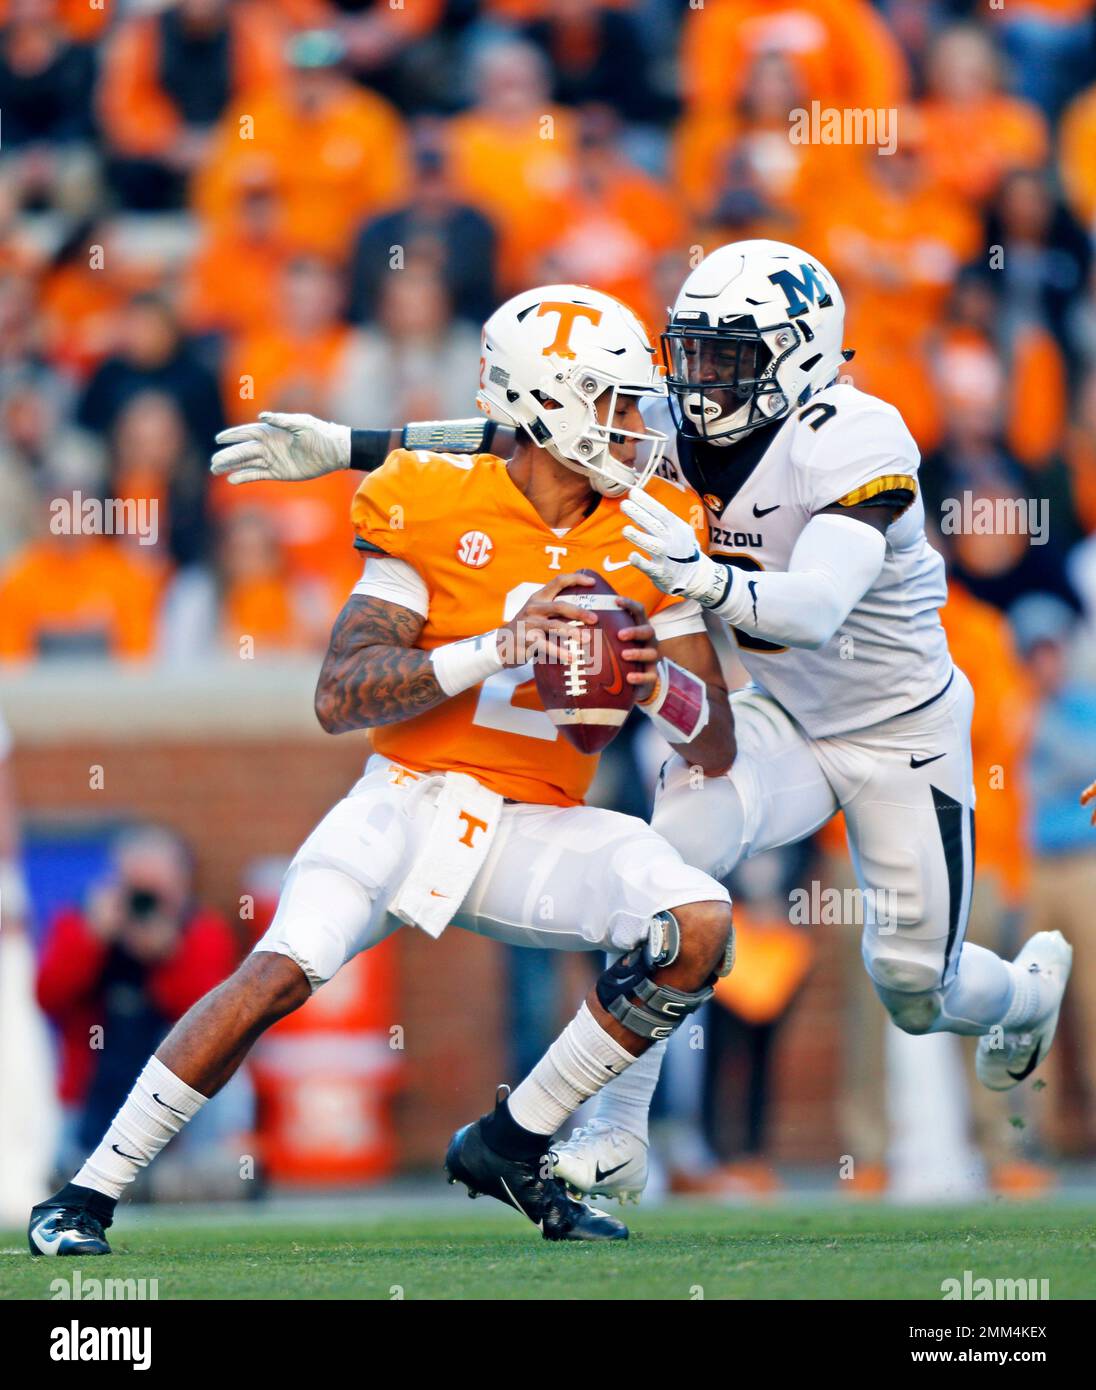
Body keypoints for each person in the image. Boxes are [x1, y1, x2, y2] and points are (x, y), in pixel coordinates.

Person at [212, 241, 1075, 1206]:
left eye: (725, 358)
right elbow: (519, 426)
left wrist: (702, 580)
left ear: (800, 357)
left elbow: (815, 607)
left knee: (916, 989)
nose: (697, 383)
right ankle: (615, 1135)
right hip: (786, 716)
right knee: (674, 863)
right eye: (691, 352)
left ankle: (1026, 997)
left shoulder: (857, 439)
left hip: (898, 728)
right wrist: (351, 447)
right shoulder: (687, 419)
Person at [28, 285, 734, 1255]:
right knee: (277, 973)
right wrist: (500, 643)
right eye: (611, 404)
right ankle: (84, 1192)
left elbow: (714, 743)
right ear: (550, 405)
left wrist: (657, 689)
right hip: (405, 800)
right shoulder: (436, 495)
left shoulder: (653, 524)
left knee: (697, 925)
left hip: (537, 823)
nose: (634, 427)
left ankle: (511, 1140)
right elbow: (341, 693)